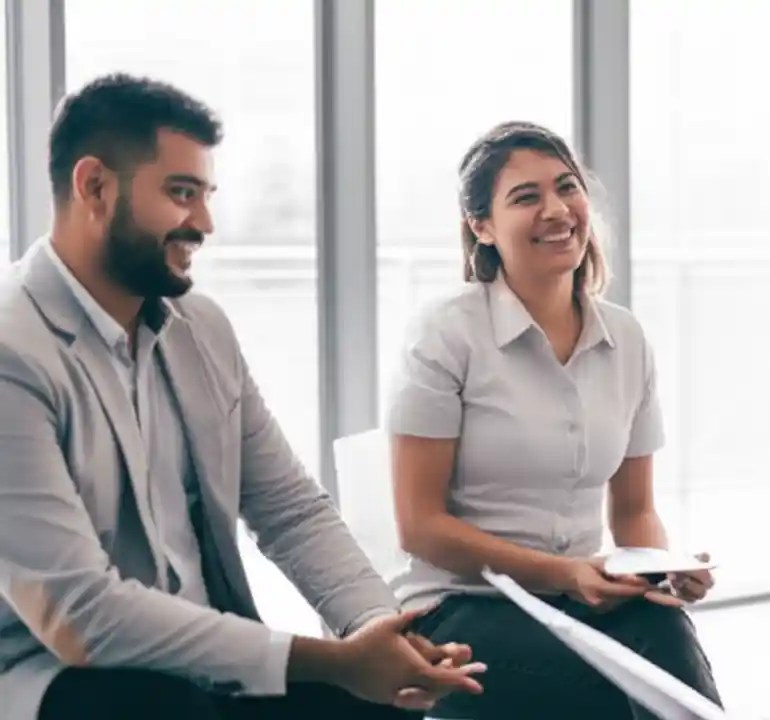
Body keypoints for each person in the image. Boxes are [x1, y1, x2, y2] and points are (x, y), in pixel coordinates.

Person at [0, 74, 485, 720]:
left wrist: (384, 632)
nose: (203, 223)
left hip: (209, 663)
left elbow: (289, 511)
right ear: (94, 186)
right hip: (62, 676)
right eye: (181, 194)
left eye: (205, 196)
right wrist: (335, 662)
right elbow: (78, 615)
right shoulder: (13, 349)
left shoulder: (202, 331)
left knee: (387, 702)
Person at [386, 121, 721, 719]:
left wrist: (661, 572)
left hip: (579, 600)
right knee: (618, 692)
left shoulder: (626, 337)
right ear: (481, 227)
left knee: (662, 636)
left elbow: (634, 510)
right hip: (460, 608)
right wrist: (564, 572)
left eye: (567, 187)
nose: (557, 209)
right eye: (526, 197)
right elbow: (421, 526)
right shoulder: (447, 333)